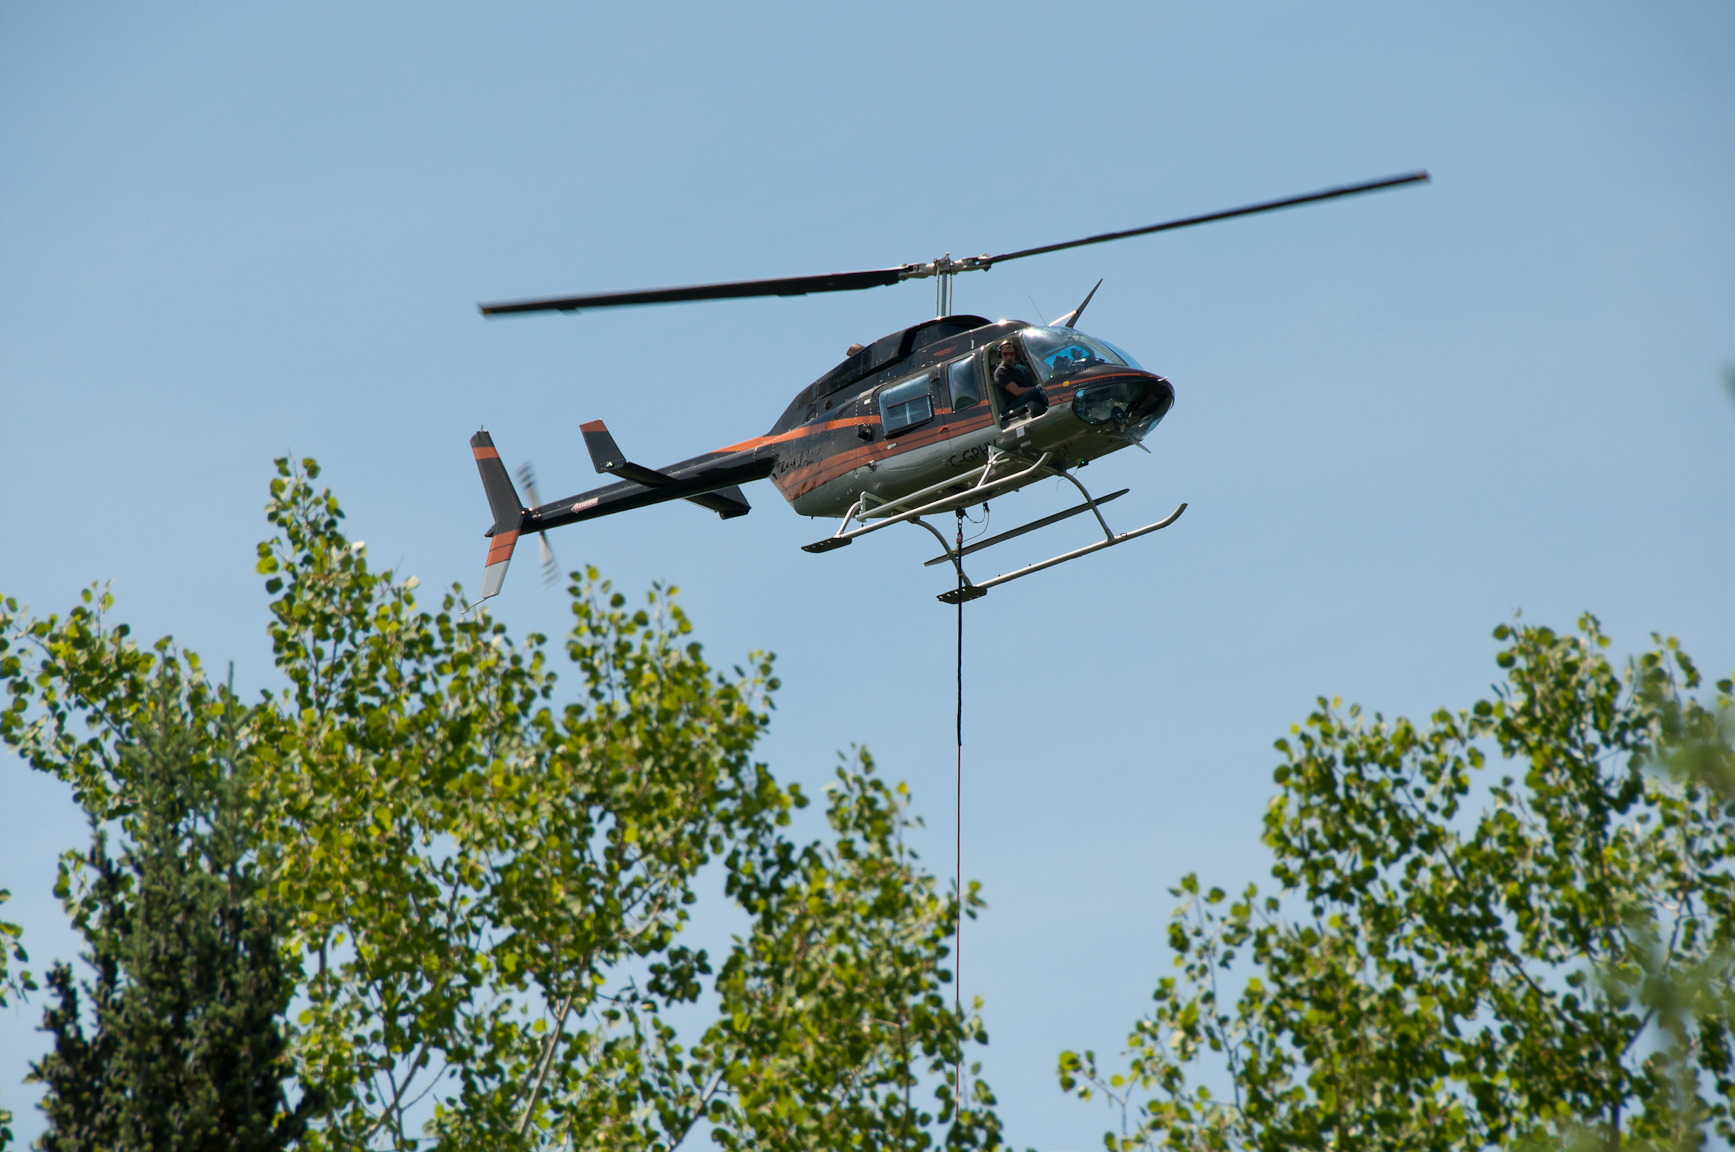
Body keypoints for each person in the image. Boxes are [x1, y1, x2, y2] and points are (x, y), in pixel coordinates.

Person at [993, 341, 1047, 422]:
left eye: (1012, 354)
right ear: (1001, 355)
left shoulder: (1022, 369)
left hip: (1026, 397)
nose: (1009, 357)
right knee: (1040, 388)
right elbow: (1017, 392)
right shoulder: (1001, 372)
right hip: (1015, 403)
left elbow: (1031, 386)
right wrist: (1037, 388)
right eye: (1005, 354)